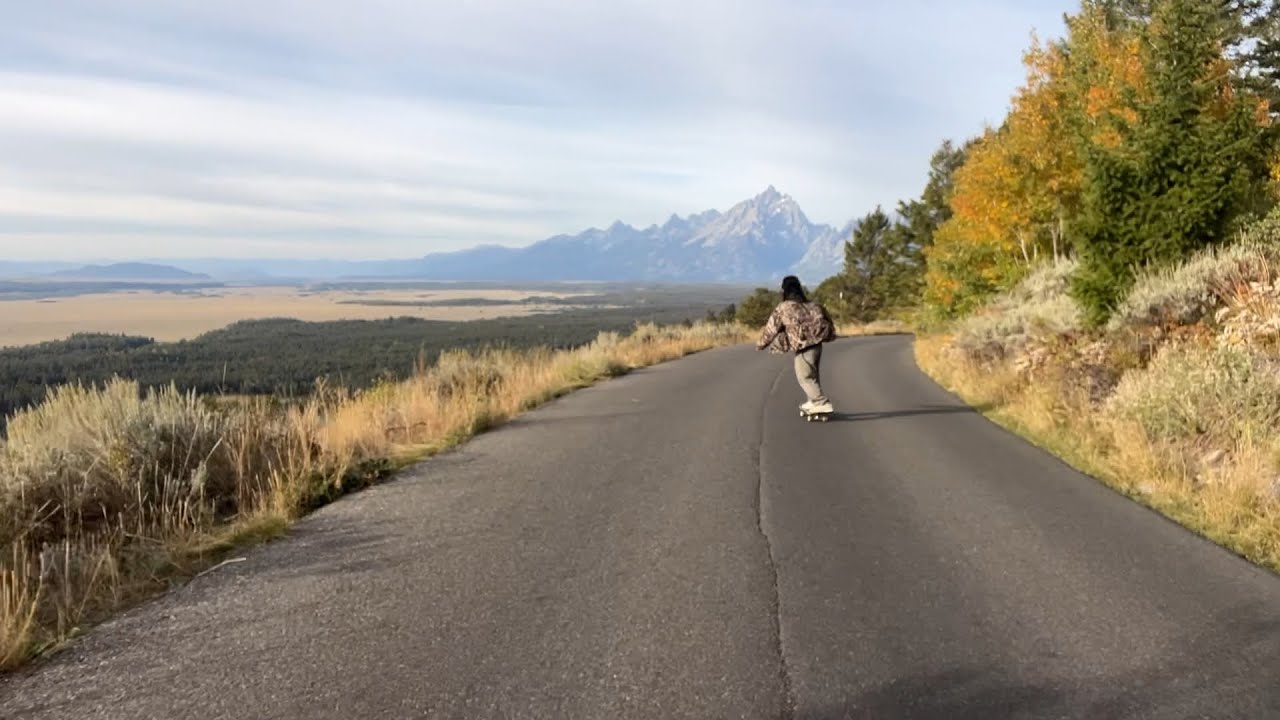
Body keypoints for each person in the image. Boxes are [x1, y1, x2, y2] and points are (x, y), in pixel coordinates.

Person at [755, 275, 837, 414]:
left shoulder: (784, 307)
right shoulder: (814, 305)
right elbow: (829, 322)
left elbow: (771, 329)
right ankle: (813, 401)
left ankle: (820, 402)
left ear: (784, 291)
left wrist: (760, 345)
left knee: (804, 376)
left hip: (803, 346)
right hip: (818, 345)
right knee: (812, 374)